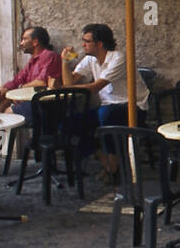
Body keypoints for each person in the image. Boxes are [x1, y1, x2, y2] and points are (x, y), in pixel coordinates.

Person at [60, 23, 150, 178]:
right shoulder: (90, 59)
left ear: (99, 44)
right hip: (108, 107)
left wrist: (63, 89)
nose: (83, 44)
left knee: (105, 115)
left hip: (133, 107)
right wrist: (65, 62)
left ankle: (113, 166)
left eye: (87, 41)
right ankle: (105, 160)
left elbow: (96, 87)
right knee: (68, 124)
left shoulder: (118, 58)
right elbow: (69, 83)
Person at [0, 26, 62, 114]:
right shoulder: (32, 61)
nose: (21, 43)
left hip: (45, 104)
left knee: (8, 112)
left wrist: (19, 90)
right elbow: (18, 80)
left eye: (24, 39)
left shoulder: (50, 56)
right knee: (0, 105)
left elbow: (41, 83)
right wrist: (4, 89)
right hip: (30, 102)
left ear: (35, 42)